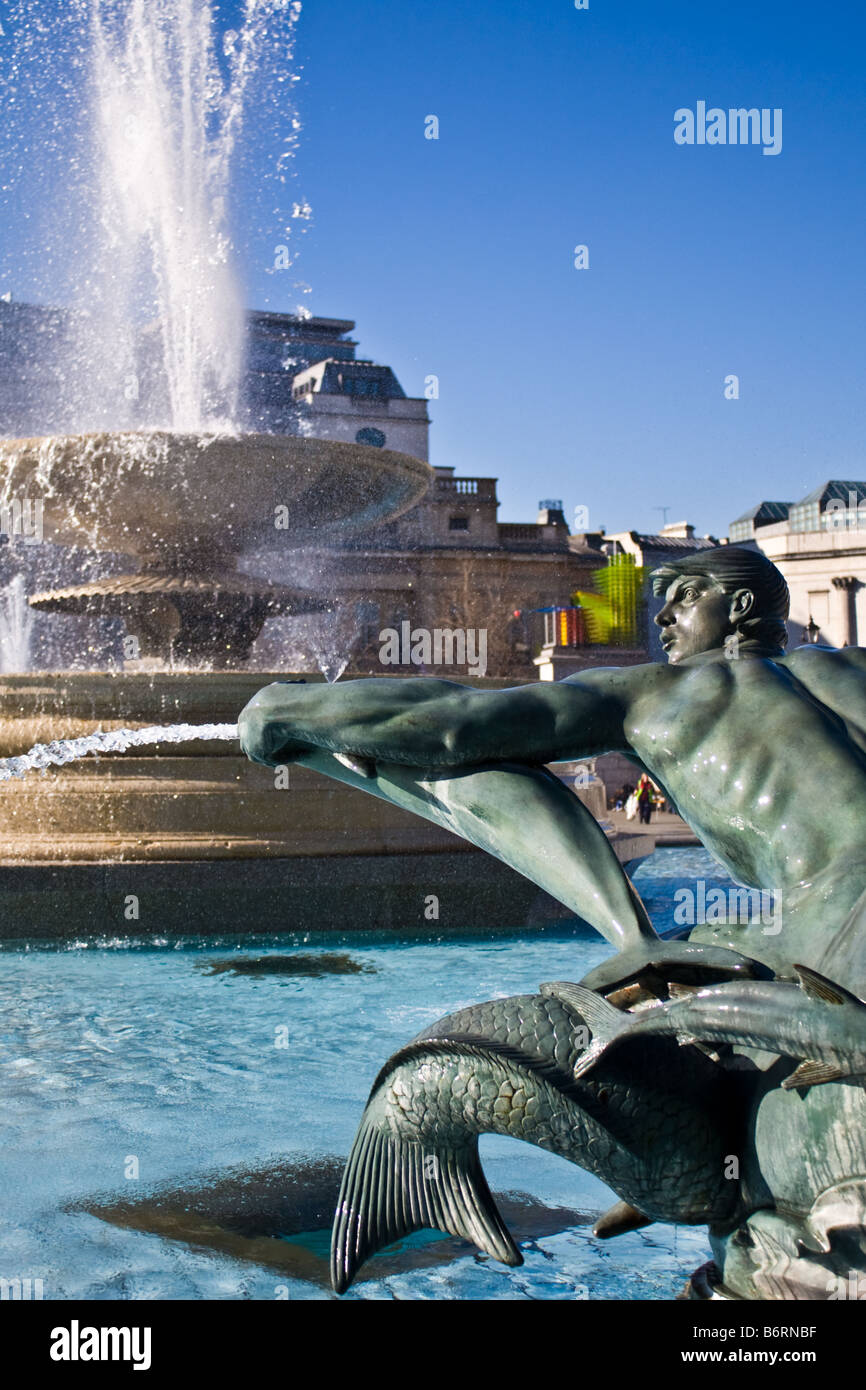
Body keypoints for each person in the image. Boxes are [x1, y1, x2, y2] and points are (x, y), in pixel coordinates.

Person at [240, 544, 866, 981]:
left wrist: (285, 709)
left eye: (685, 597)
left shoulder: (654, 693)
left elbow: (455, 727)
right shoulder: (854, 666)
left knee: (476, 760)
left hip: (833, 929)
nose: (664, 616)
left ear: (737, 608)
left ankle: (635, 941)